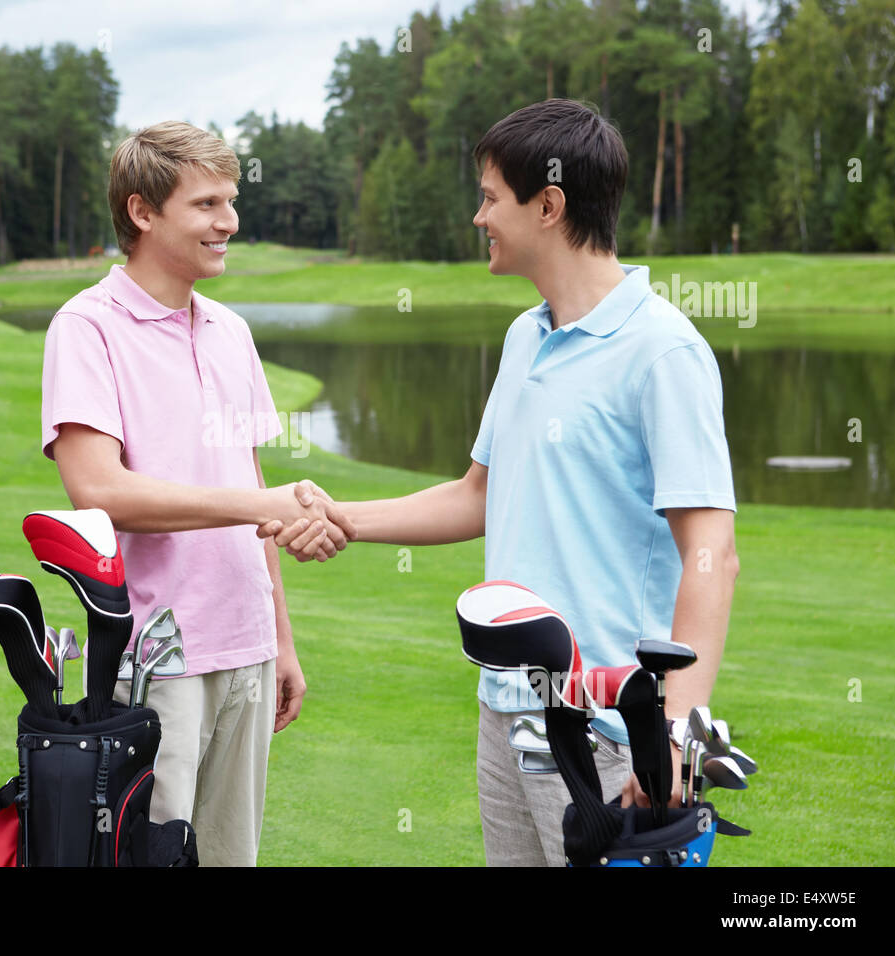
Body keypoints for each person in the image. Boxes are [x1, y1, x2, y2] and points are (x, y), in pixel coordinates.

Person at [261, 99, 740, 866]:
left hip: (612, 730)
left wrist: (675, 735)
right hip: (506, 712)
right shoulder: (526, 335)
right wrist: (340, 515)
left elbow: (712, 554)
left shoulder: (662, 352)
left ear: (548, 205)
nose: (479, 215)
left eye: (490, 197)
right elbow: (477, 495)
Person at [40, 121, 353, 867]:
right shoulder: (86, 328)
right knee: (148, 855)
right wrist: (260, 506)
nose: (230, 223)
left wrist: (279, 638)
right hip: (154, 658)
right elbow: (99, 489)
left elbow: (248, 485)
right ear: (143, 212)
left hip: (243, 647)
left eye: (231, 201)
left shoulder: (232, 332)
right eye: (208, 204)